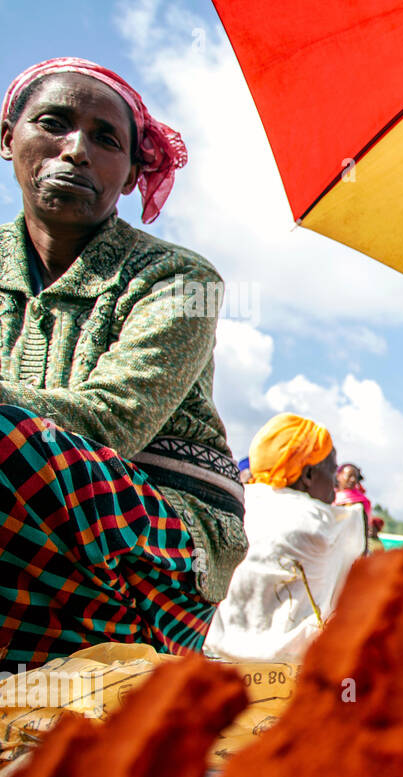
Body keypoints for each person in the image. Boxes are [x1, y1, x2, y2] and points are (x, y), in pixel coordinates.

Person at [0, 58, 247, 665]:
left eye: (105, 138)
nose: (76, 150)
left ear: (135, 170)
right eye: (52, 123)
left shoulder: (183, 280)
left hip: (151, 558)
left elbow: (113, 422)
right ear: (9, 138)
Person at [204, 413, 364, 661]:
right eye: (332, 471)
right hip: (284, 673)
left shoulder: (238, 501)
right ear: (308, 475)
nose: (335, 483)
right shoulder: (321, 522)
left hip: (211, 653)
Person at [333, 461, 372, 525]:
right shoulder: (329, 495)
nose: (353, 479)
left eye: (355, 477)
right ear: (338, 476)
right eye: (349, 475)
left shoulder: (362, 501)